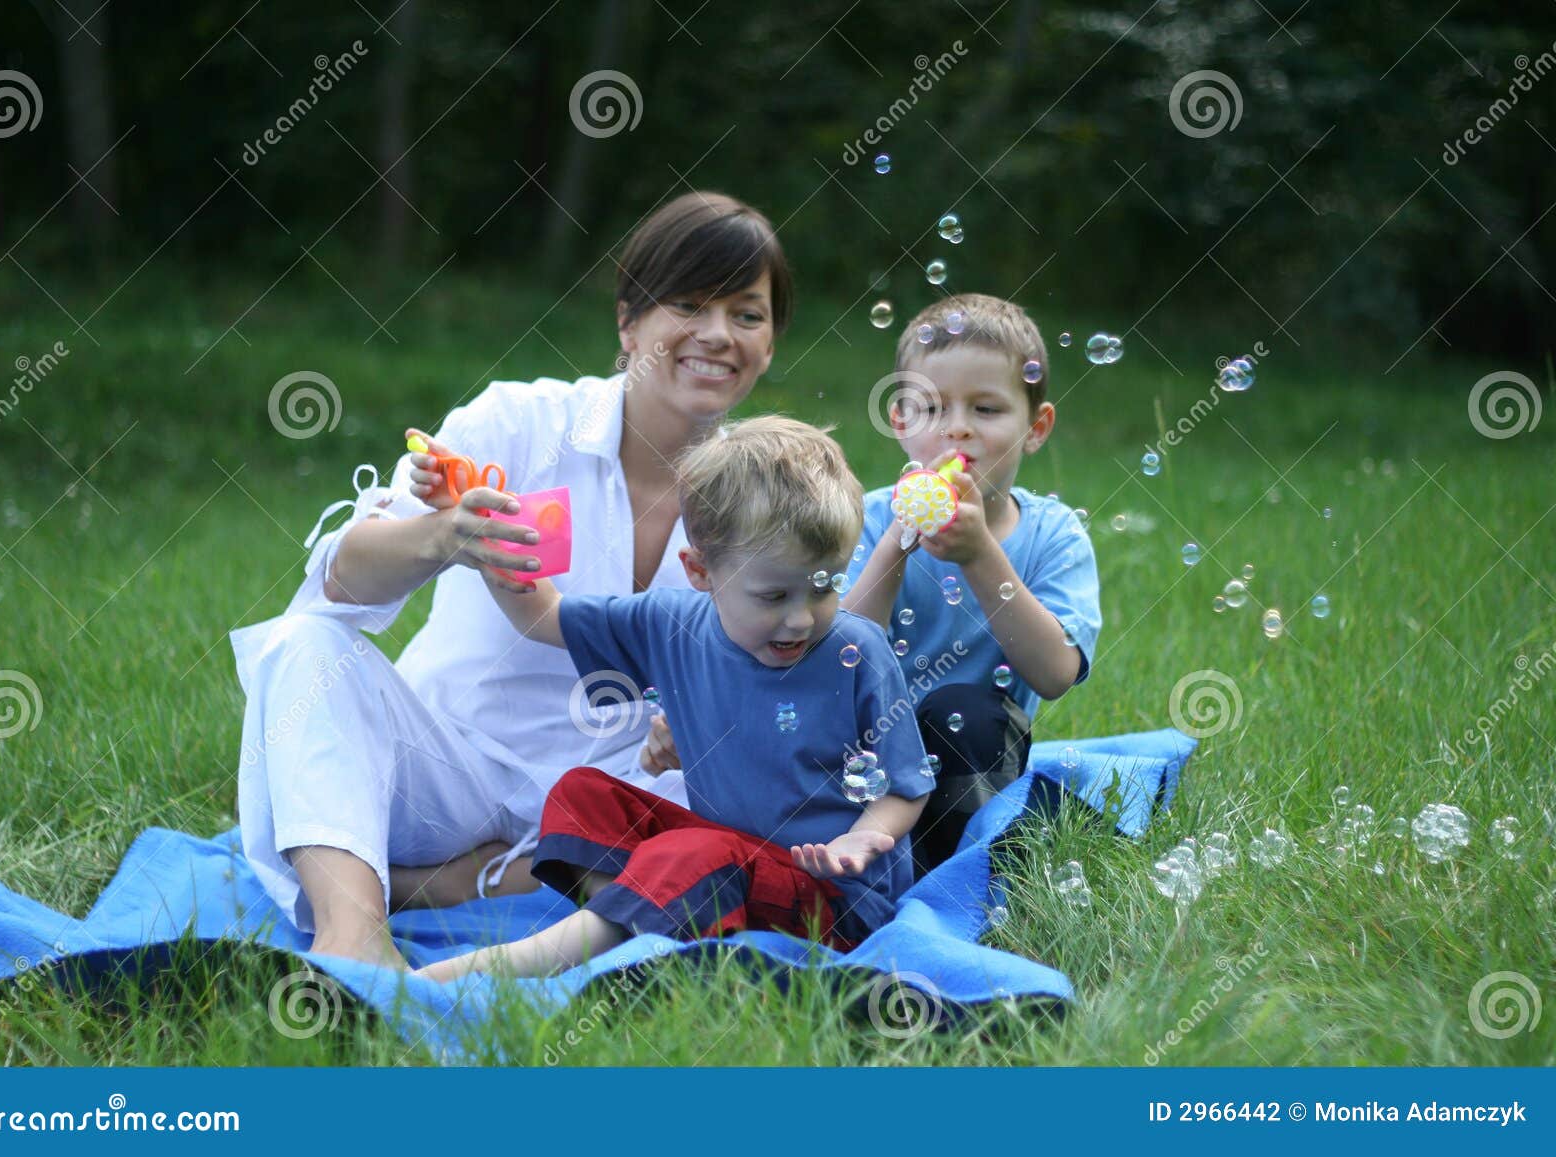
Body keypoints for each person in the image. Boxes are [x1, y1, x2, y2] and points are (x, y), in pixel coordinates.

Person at [229, 192, 792, 966]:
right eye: (689, 305)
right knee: (304, 645)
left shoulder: (766, 489)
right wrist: (443, 537)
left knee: (759, 781)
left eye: (747, 314)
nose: (719, 334)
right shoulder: (518, 424)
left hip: (613, 804)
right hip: (449, 775)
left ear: (771, 342)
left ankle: (460, 884)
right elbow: (339, 581)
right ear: (628, 324)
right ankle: (356, 938)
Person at [416, 417, 931, 981]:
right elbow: (546, 618)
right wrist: (480, 529)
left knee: (694, 855)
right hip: (728, 860)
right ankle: (640, 930)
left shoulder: (859, 650)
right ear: (700, 571)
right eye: (773, 595)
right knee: (584, 794)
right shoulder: (671, 622)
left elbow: (906, 785)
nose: (801, 618)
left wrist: (861, 838)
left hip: (833, 899)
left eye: (824, 586)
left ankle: (507, 967)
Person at [841, 293, 1102, 872]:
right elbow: (840, 654)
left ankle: (958, 877)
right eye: (932, 409)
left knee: (965, 708)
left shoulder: (1053, 535)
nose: (957, 429)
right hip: (862, 751)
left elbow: (1055, 674)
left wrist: (981, 553)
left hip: (972, 760)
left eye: (986, 409)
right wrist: (897, 544)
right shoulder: (867, 519)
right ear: (900, 420)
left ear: (1035, 427)